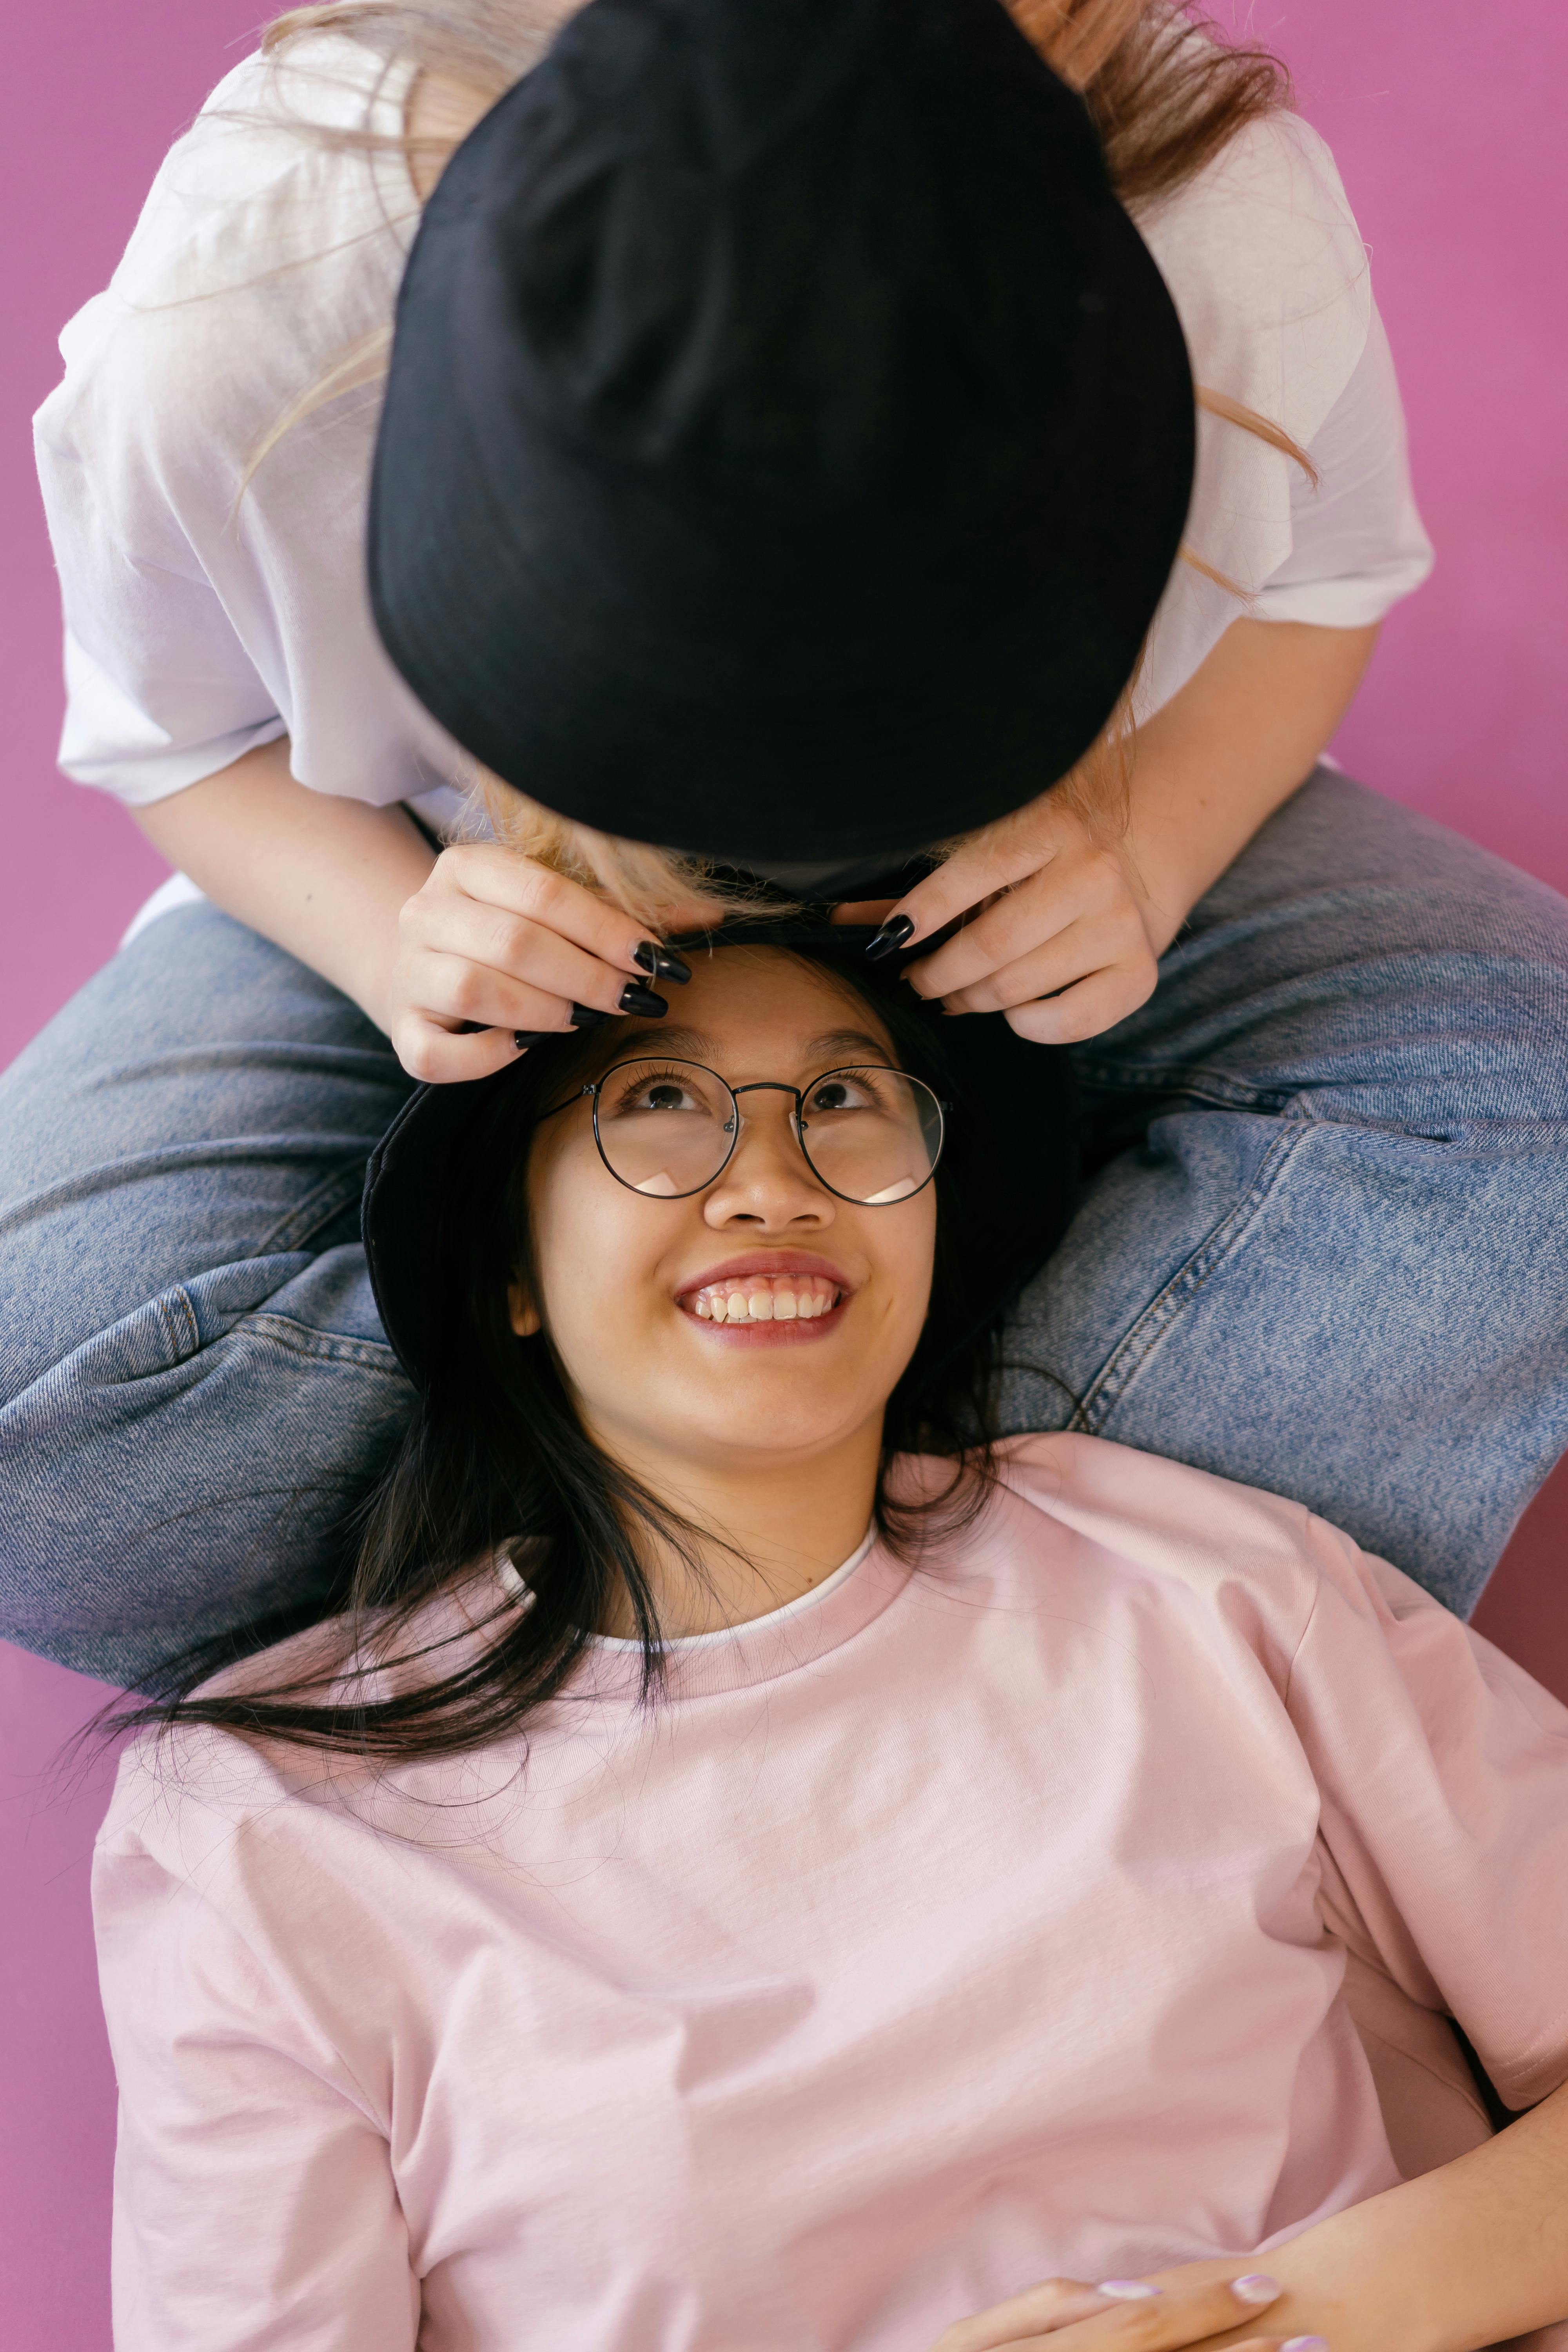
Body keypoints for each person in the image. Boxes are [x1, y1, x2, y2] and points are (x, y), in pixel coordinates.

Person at [6, 0, 1567, 1694]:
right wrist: (391, 939)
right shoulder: (235, 328)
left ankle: (707, 1609)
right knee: (42, 1420)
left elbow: (1316, 586)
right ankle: (945, 1620)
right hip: (429, 872)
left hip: (1066, 863)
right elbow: (185, 741)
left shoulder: (1226, 234)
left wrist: (1150, 842)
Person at [93, 933, 1568, 2351]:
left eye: (845, 1094)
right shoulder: (263, 1825)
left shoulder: (1207, 1582)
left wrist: (1309, 2316)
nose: (774, 1185)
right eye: (656, 1097)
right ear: (509, 1269)